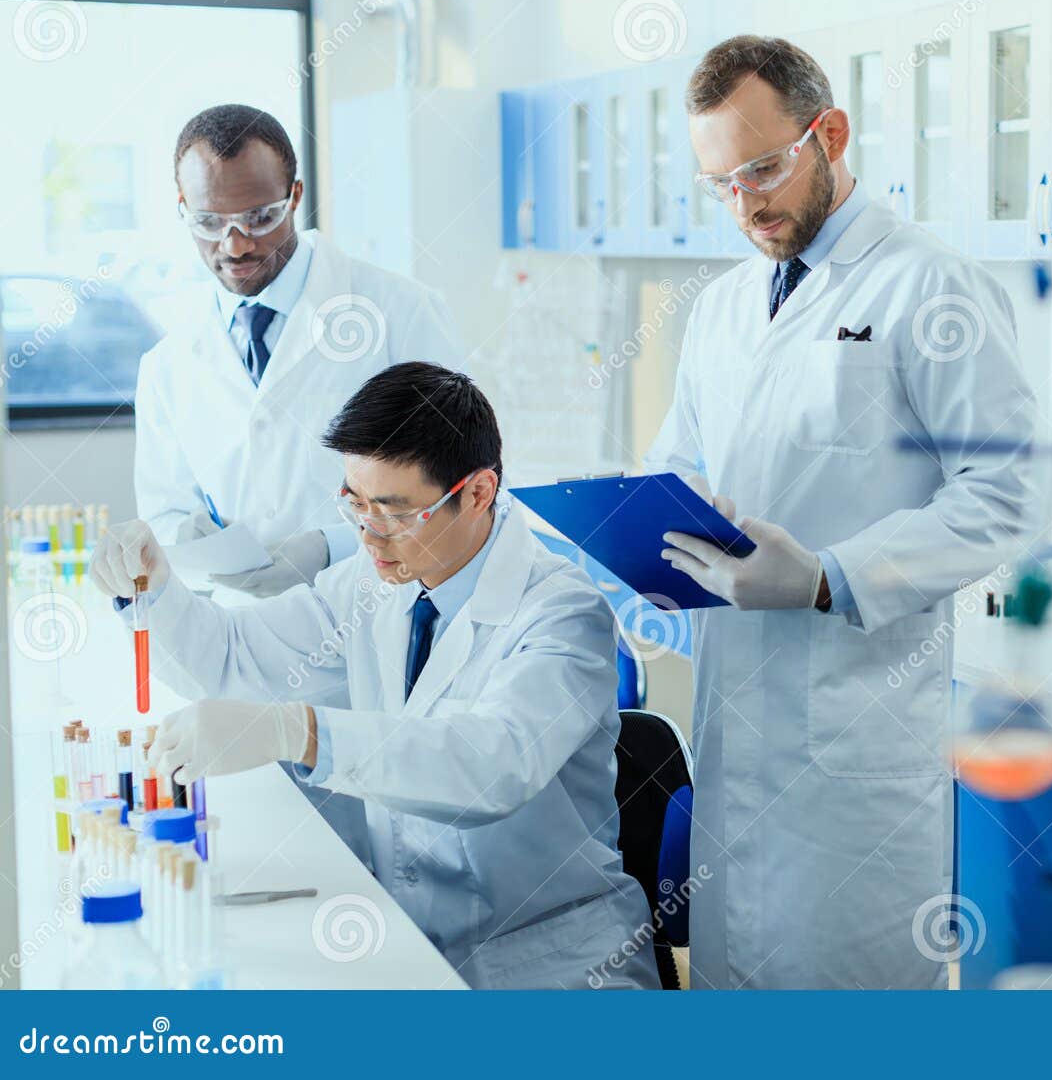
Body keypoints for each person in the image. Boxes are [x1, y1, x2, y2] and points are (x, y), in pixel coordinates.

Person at [647, 36, 1038, 988]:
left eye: (763, 169)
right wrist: (650, 539)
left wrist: (828, 578)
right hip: (736, 735)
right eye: (721, 184)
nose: (746, 205)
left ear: (829, 134)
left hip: (854, 759)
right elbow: (677, 465)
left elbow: (1006, 496)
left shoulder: (930, 285)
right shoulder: (724, 308)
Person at [92, 363, 658, 990]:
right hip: (410, 945)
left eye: (394, 512)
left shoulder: (563, 614)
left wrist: (302, 732)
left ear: (478, 493)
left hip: (553, 965)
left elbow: (492, 766)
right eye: (355, 504)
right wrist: (152, 588)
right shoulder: (372, 585)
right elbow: (234, 659)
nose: (368, 535)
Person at [136, 103, 466, 598]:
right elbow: (164, 509)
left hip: (376, 618)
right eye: (208, 221)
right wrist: (188, 538)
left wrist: (333, 548)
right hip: (239, 631)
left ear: (295, 196)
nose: (235, 245)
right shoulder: (169, 362)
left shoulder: (401, 313)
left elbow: (465, 491)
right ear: (183, 205)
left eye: (259, 218)